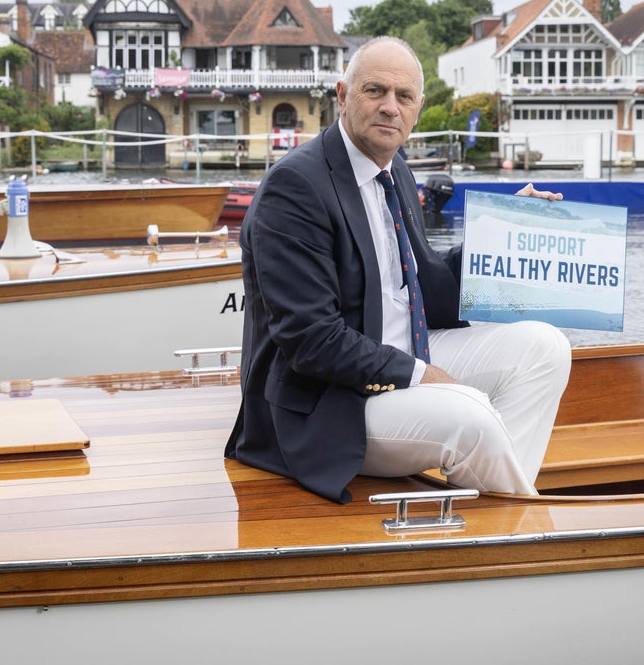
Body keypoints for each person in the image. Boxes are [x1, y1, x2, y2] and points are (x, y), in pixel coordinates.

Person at [225, 36, 572, 504]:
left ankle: (488, 518)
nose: (390, 107)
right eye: (375, 91)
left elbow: (427, 290)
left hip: (400, 358)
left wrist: (505, 238)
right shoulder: (295, 187)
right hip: (329, 401)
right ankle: (515, 529)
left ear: (418, 108)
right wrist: (421, 374)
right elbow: (310, 341)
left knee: (545, 347)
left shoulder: (396, 171)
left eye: (404, 97)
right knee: (470, 416)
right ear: (343, 95)